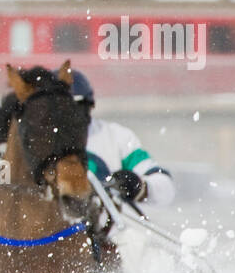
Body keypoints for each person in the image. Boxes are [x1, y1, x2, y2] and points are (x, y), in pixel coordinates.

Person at [71, 70, 175, 207]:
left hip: (113, 224)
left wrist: (140, 187)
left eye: (73, 106)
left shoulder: (117, 137)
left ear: (90, 105)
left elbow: (165, 188)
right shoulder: (38, 144)